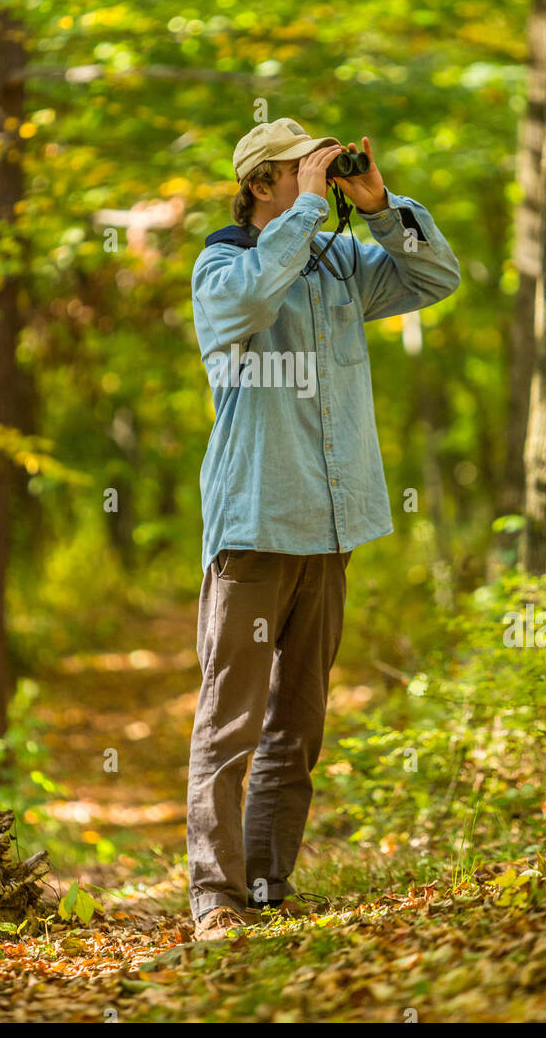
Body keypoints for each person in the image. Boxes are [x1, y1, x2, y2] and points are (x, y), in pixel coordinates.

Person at [187, 117, 460, 939]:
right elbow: (248, 302)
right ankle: (215, 897)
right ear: (261, 182)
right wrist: (308, 210)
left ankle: (269, 888)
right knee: (230, 720)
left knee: (297, 724)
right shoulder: (222, 263)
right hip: (256, 523)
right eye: (298, 168)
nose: (317, 174)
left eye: (321, 164)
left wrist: (378, 205)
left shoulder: (340, 263)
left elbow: (435, 277)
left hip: (328, 530)